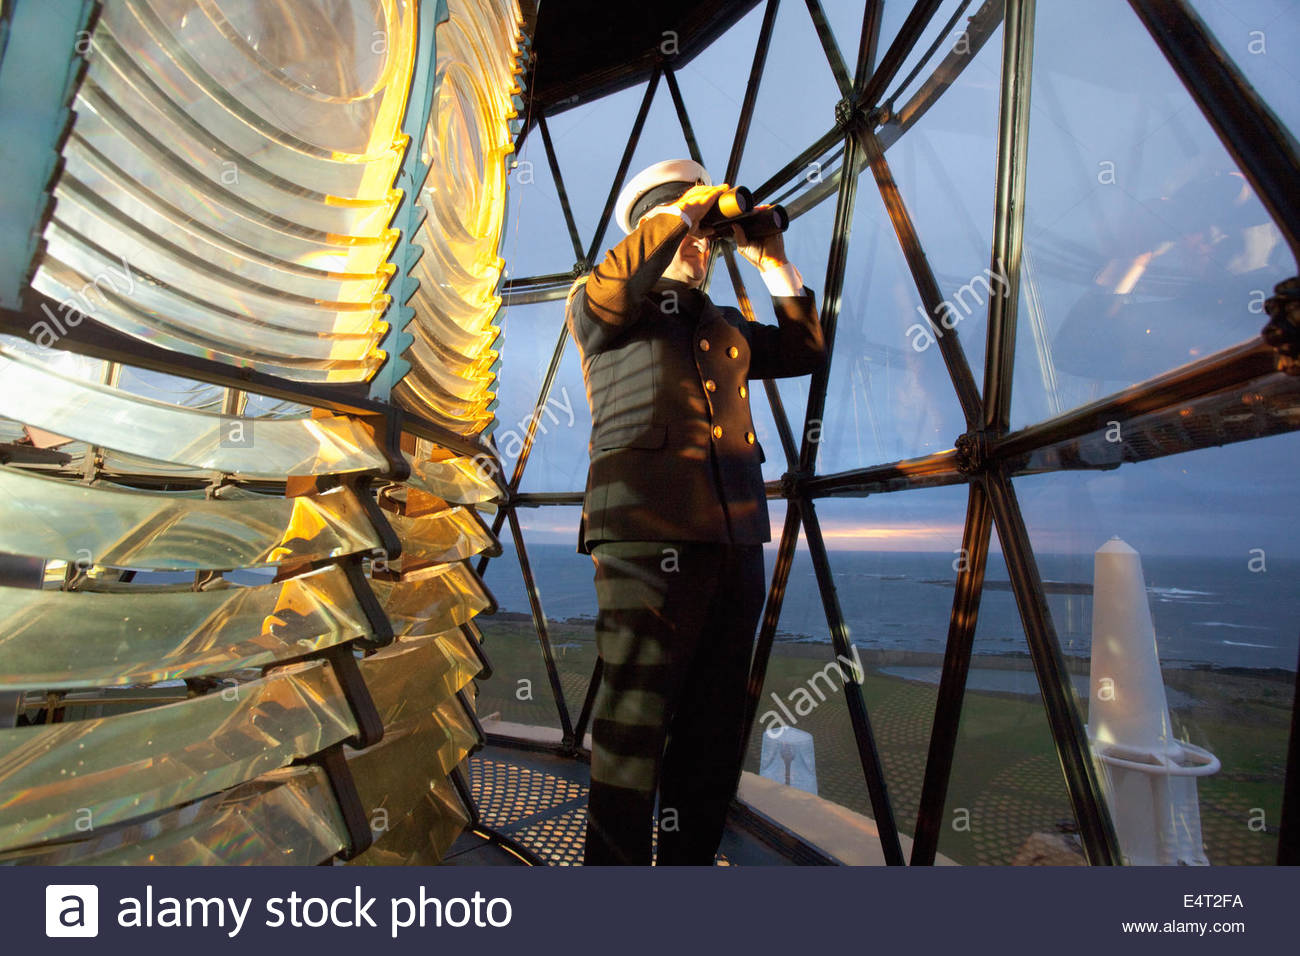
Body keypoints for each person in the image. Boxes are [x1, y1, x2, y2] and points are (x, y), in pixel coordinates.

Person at [566, 158, 826, 865]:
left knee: (713, 733)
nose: (700, 247)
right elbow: (617, 286)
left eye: (707, 239)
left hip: (735, 541)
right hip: (645, 541)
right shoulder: (604, 306)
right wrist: (686, 211)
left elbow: (806, 348)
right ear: (651, 227)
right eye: (687, 232)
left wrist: (771, 260)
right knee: (633, 732)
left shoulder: (726, 328)